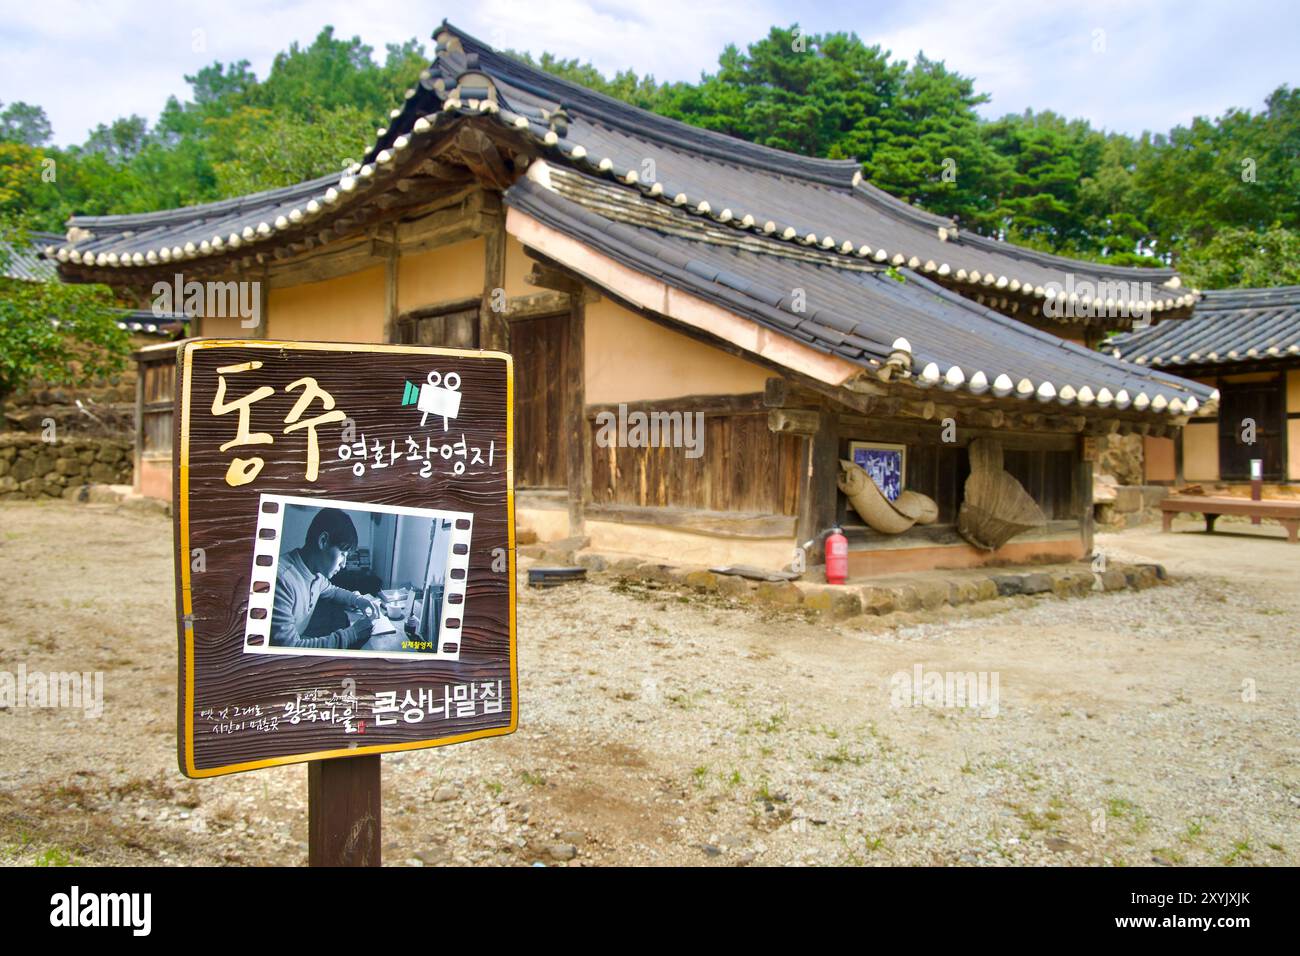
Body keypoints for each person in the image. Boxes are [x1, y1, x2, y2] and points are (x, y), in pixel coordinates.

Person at [269, 508, 378, 650]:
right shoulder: (281, 580)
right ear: (323, 541)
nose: (344, 564)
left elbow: (332, 591)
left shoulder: (316, 573)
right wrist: (352, 634)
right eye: (343, 554)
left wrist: (357, 600)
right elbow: (290, 647)